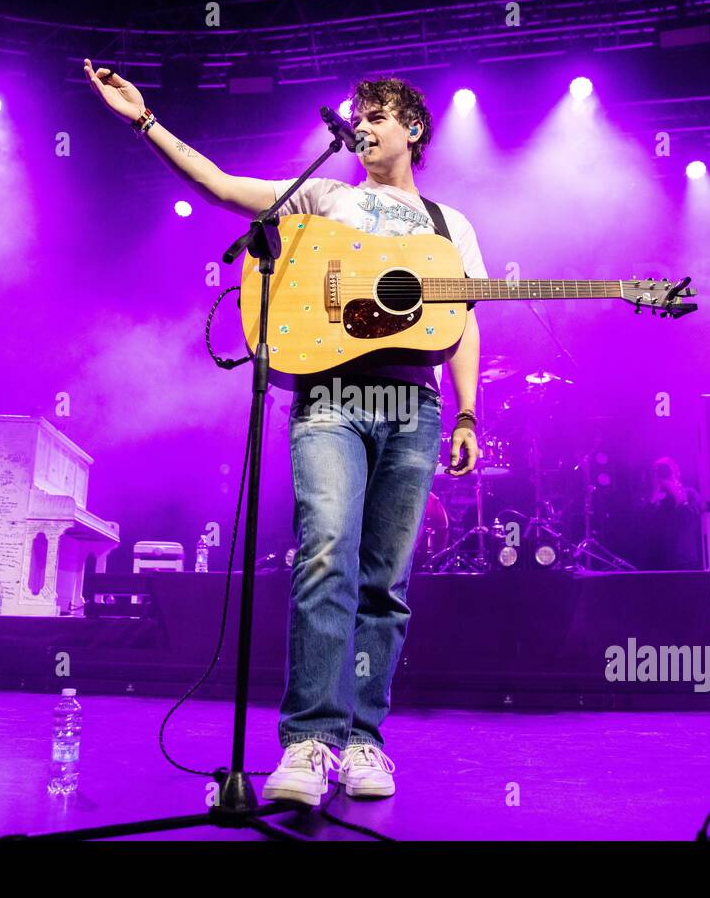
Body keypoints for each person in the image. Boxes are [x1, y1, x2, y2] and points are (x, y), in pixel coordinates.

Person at [85, 61, 485, 804]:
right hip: (328, 398)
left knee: (385, 587)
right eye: (358, 114)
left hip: (413, 409)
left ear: (415, 130)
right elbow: (220, 186)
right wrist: (144, 121)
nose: (362, 125)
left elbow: (464, 321)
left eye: (379, 114)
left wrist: (466, 412)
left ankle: (366, 745)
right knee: (325, 553)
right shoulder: (326, 194)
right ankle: (309, 741)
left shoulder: (447, 224)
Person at [639, 456, 704, 570]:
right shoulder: (649, 500)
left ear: (676, 473)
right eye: (657, 472)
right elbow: (642, 527)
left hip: (684, 563)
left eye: (665, 471)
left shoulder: (689, 494)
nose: (662, 475)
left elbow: (691, 521)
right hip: (656, 563)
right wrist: (654, 495)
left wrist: (677, 495)